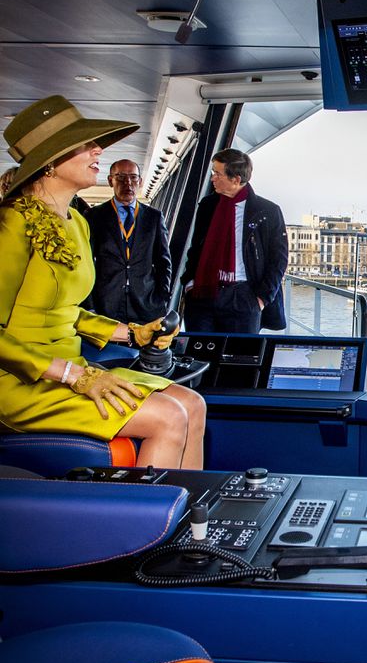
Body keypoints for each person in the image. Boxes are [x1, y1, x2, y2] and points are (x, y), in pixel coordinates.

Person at [1, 95, 206, 469]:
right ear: (50, 162)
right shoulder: (11, 226)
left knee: (193, 403)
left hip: (69, 368)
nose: (98, 149)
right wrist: (73, 375)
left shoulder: (77, 223)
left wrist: (133, 334)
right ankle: (148, 526)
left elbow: (68, 313)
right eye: (84, 144)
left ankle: (190, 520)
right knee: (169, 416)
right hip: (20, 382)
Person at [179, 149, 287, 334]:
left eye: (217, 174)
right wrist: (189, 283)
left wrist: (261, 299)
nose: (212, 178)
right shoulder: (207, 206)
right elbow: (196, 248)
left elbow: (278, 259)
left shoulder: (267, 211)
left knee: (240, 359)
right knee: (198, 358)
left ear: (236, 179)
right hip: (203, 293)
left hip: (244, 297)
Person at [84, 158, 173, 324]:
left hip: (146, 305)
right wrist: (90, 306)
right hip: (106, 305)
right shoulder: (94, 216)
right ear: (111, 181)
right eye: (121, 177)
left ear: (140, 181)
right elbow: (87, 262)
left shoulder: (153, 217)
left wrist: (163, 298)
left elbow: (163, 262)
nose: (128, 183)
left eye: (133, 177)